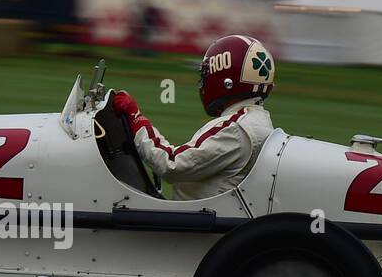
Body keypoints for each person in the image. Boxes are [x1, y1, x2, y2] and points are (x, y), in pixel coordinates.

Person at [111, 34, 276, 200]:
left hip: (198, 219)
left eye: (207, 74)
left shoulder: (235, 129)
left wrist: (136, 118)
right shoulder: (259, 121)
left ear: (226, 80)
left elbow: (171, 163)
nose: (204, 81)